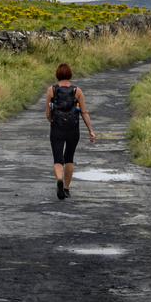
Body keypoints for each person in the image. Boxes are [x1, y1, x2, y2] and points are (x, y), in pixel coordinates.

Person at [45, 63, 96, 200]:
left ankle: (59, 180)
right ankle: (66, 188)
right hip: (73, 129)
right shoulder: (77, 91)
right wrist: (91, 130)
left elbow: (48, 113)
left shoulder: (51, 90)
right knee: (69, 158)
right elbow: (84, 112)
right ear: (70, 74)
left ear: (57, 74)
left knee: (57, 158)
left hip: (57, 128)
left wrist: (53, 122)